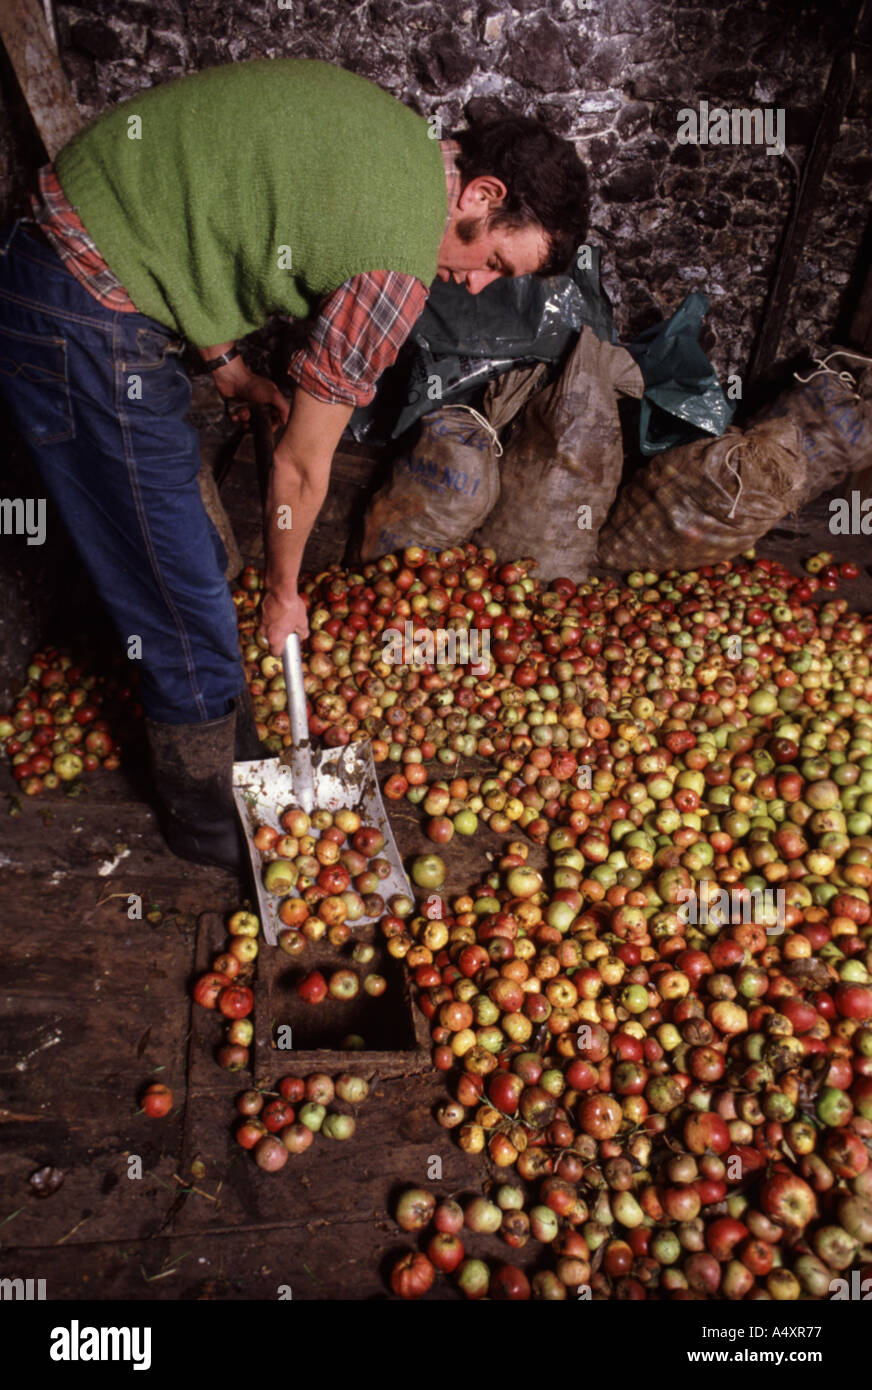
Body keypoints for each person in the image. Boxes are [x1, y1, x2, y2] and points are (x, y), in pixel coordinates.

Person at [0, 58, 589, 871]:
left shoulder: (396, 141)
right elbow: (304, 471)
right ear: (481, 196)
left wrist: (229, 368)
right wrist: (284, 595)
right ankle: (209, 820)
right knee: (173, 576)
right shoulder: (395, 261)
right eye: (496, 263)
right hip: (76, 297)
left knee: (187, 557)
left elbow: (206, 212)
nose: (480, 287)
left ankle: (231, 741)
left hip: (83, 245)